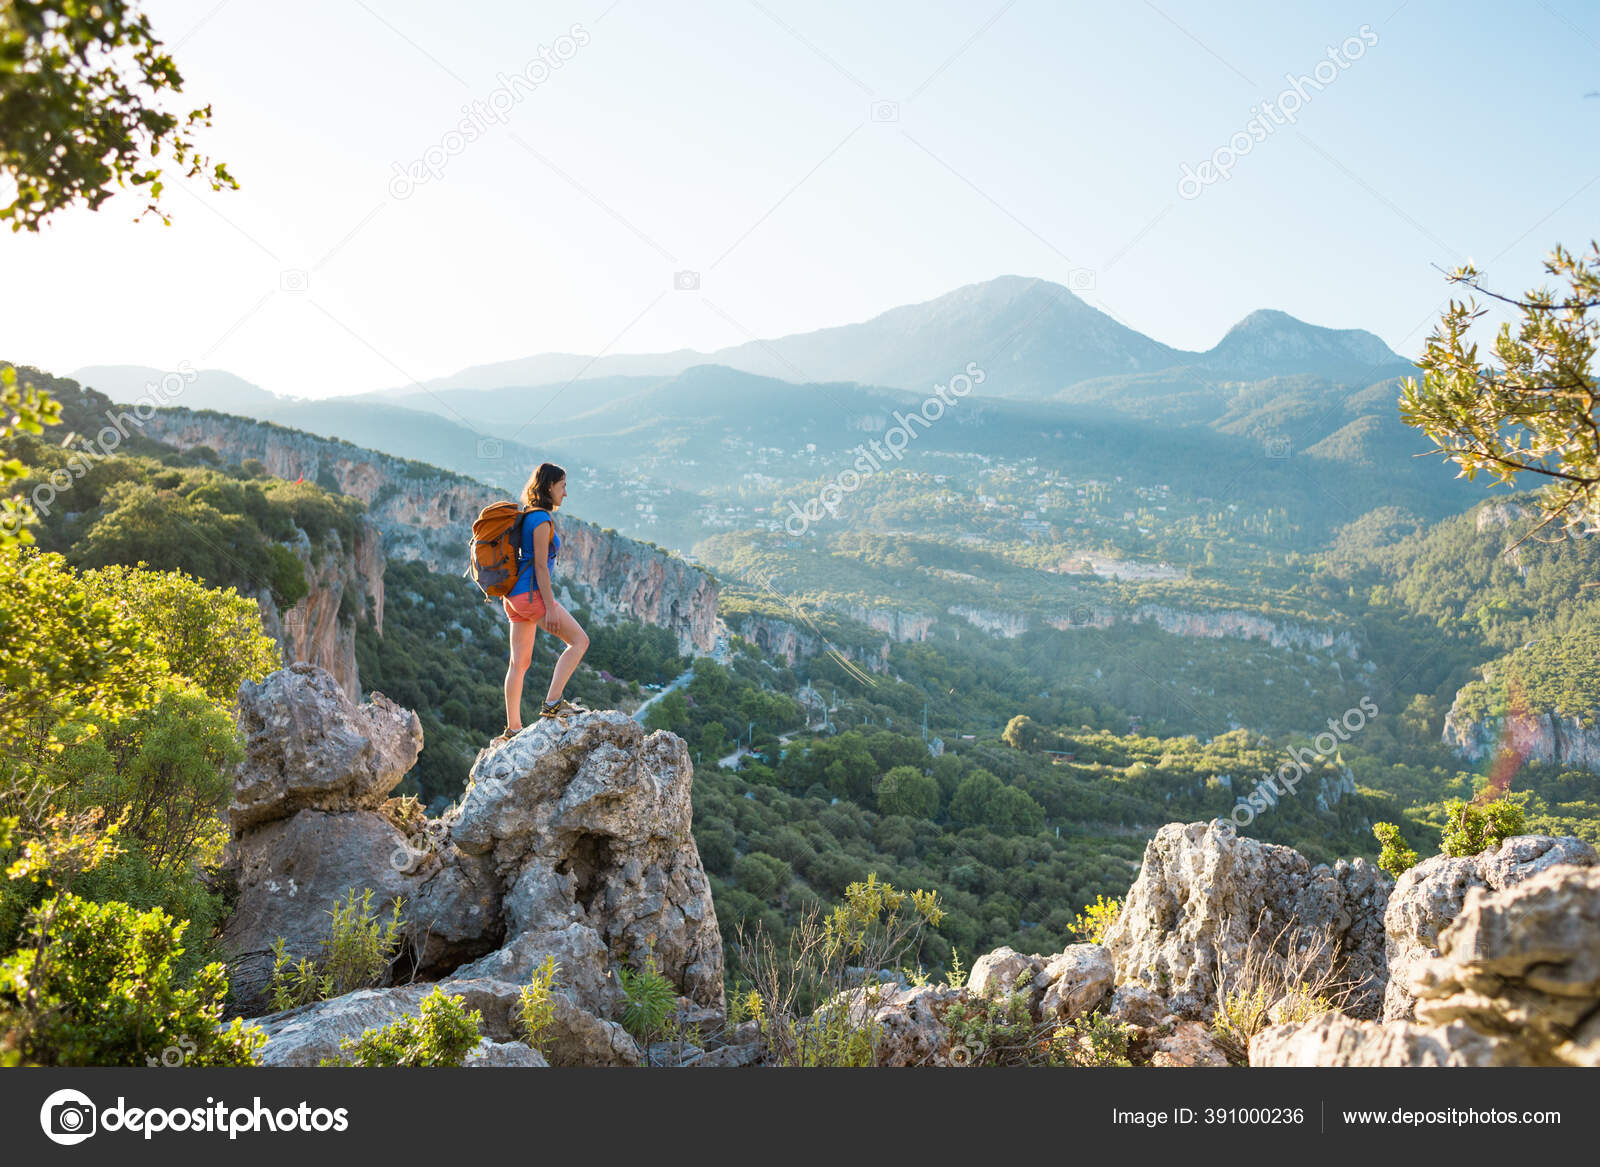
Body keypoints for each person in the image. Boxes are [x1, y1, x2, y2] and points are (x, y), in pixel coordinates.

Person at [497, 462, 589, 742]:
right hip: (531, 596)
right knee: (579, 642)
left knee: (518, 664)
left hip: (513, 597)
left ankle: (513, 729)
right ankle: (553, 703)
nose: (565, 493)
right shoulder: (542, 520)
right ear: (549, 486)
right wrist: (549, 606)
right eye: (562, 486)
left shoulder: (528, 515)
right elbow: (539, 566)